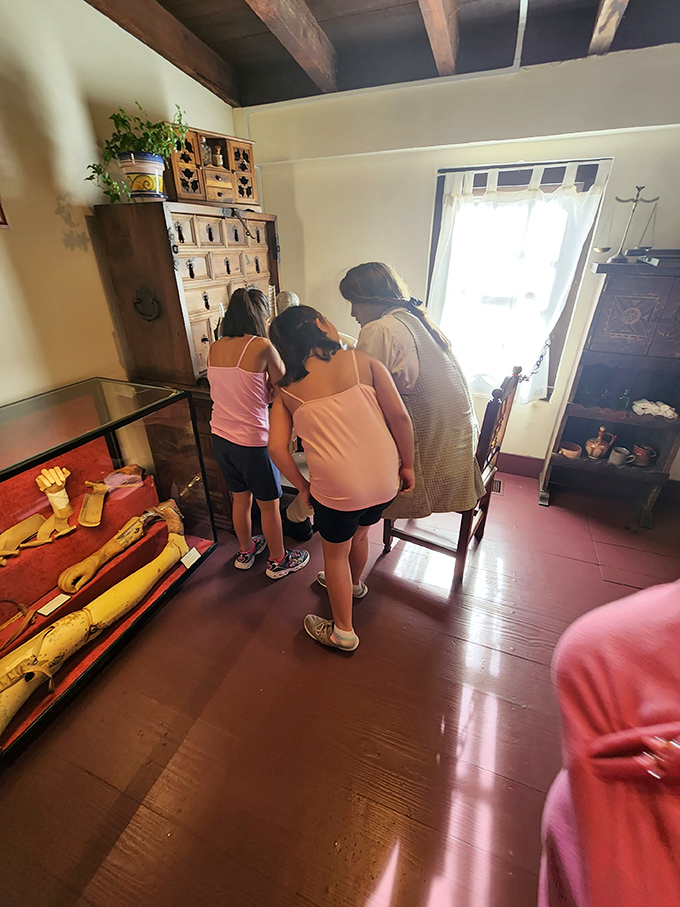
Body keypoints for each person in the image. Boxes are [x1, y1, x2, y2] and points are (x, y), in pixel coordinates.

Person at [268, 305, 415, 652]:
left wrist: (303, 488)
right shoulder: (363, 361)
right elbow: (401, 418)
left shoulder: (286, 391)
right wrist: (407, 465)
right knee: (361, 534)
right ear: (320, 324)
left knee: (334, 555)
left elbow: (276, 449)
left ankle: (343, 632)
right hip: (384, 482)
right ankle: (352, 586)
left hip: (337, 492)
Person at [339, 262, 485, 520]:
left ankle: (333, 515)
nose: (352, 312)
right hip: (456, 443)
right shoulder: (413, 318)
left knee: (340, 440)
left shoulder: (380, 328)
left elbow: (362, 392)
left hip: (430, 448)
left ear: (371, 299)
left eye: (355, 303)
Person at [208, 287, 310, 579]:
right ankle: (278, 560)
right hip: (252, 441)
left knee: (240, 500)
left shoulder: (215, 347)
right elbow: (283, 387)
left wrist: (260, 392)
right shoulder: (262, 346)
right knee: (269, 505)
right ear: (260, 313)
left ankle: (245, 550)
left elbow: (233, 388)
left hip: (221, 438)